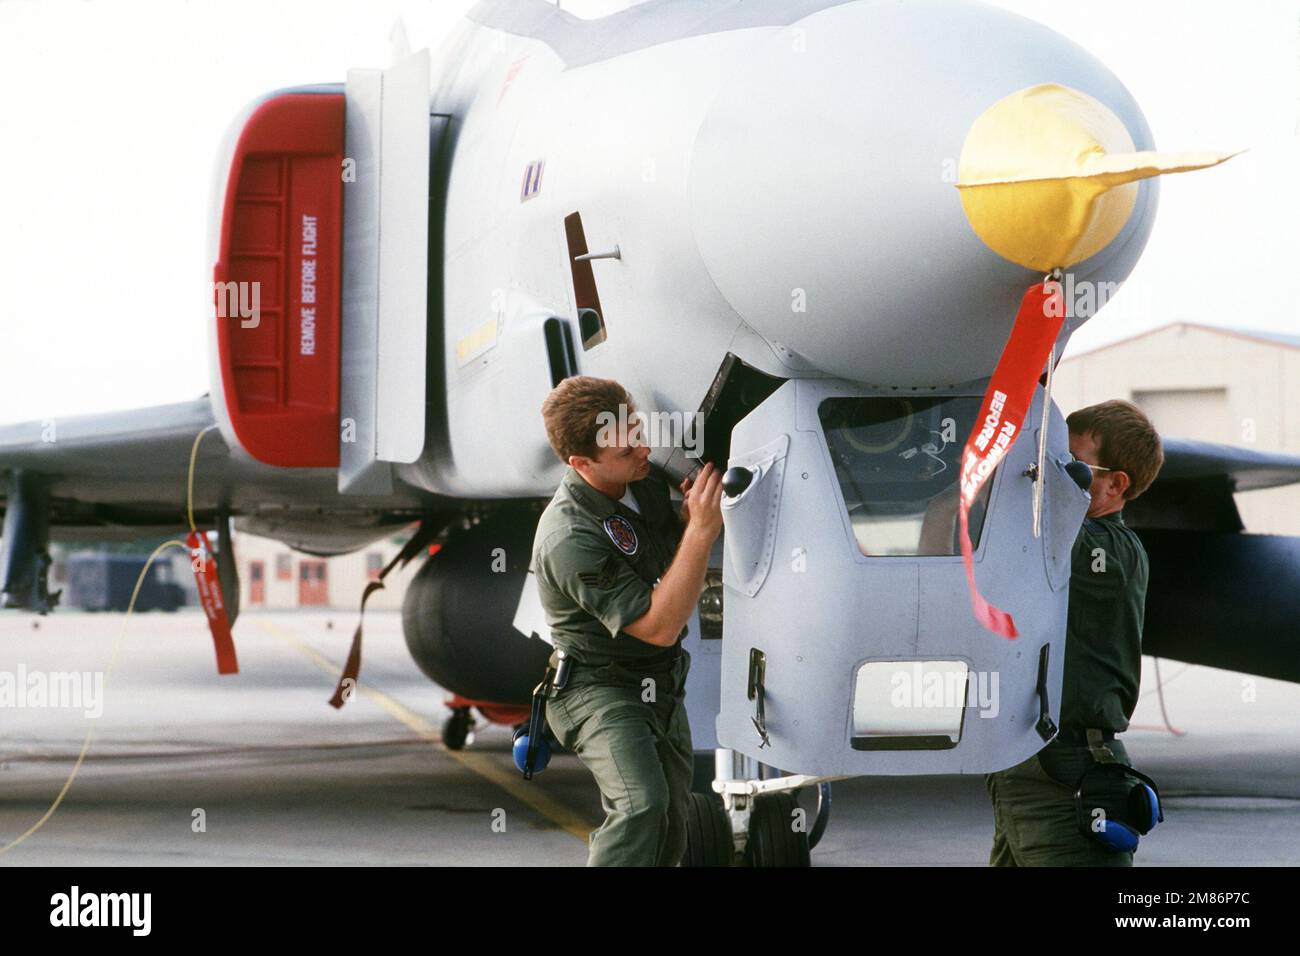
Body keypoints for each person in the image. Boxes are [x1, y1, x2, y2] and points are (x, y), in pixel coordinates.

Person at [531, 376, 723, 866]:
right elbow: (658, 626)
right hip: (597, 688)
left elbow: (659, 558)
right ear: (581, 463)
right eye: (624, 448)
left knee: (669, 827)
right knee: (640, 806)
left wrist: (683, 525)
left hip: (659, 684)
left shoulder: (641, 484)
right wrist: (700, 531)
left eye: (638, 431)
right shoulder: (570, 535)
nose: (642, 450)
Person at [985, 399, 1164, 866]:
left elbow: (1038, 528)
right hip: (1024, 770)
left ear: (1114, 484)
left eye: (1073, 466)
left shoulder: (1112, 553)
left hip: (1068, 774)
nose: (1053, 477)